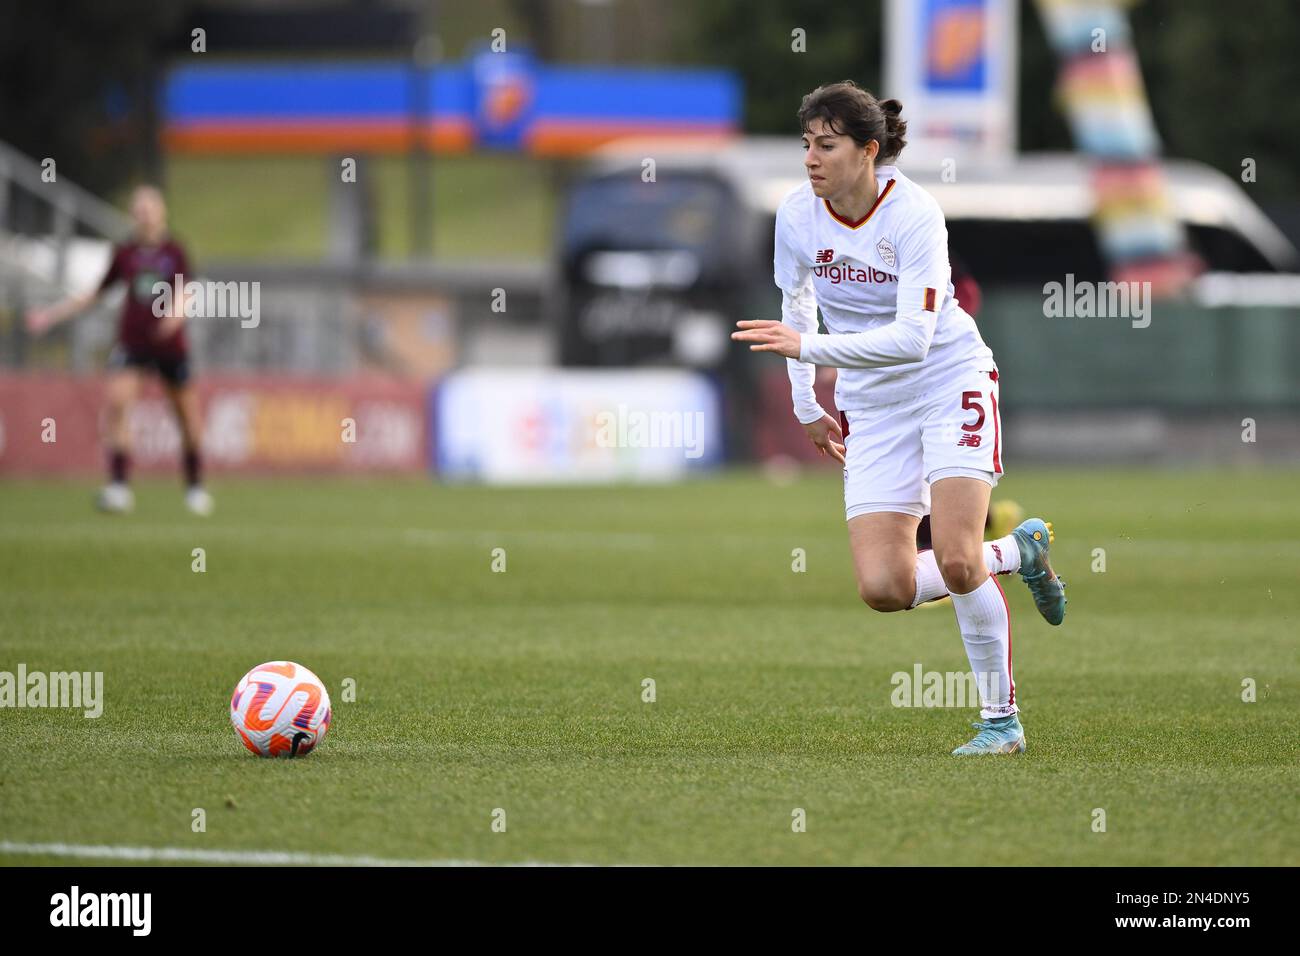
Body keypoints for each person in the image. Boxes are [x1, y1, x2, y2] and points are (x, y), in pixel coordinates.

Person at [733, 81, 1066, 755]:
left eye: (826, 145)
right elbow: (796, 305)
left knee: (954, 556)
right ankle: (1018, 551)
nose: (810, 159)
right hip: (873, 404)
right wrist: (807, 403)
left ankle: (1001, 723)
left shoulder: (913, 213)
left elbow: (913, 338)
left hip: (947, 380)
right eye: (805, 145)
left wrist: (812, 350)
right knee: (884, 587)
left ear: (868, 151)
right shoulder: (797, 214)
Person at [26, 185, 212, 516]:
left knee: (187, 419)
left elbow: (187, 291)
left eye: (149, 209)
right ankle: (119, 488)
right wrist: (51, 314)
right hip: (133, 344)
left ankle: (195, 487)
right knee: (116, 405)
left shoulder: (175, 251)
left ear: (162, 212)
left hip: (170, 347)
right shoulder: (125, 253)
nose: (144, 215)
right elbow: (94, 293)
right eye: (138, 210)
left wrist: (174, 315)